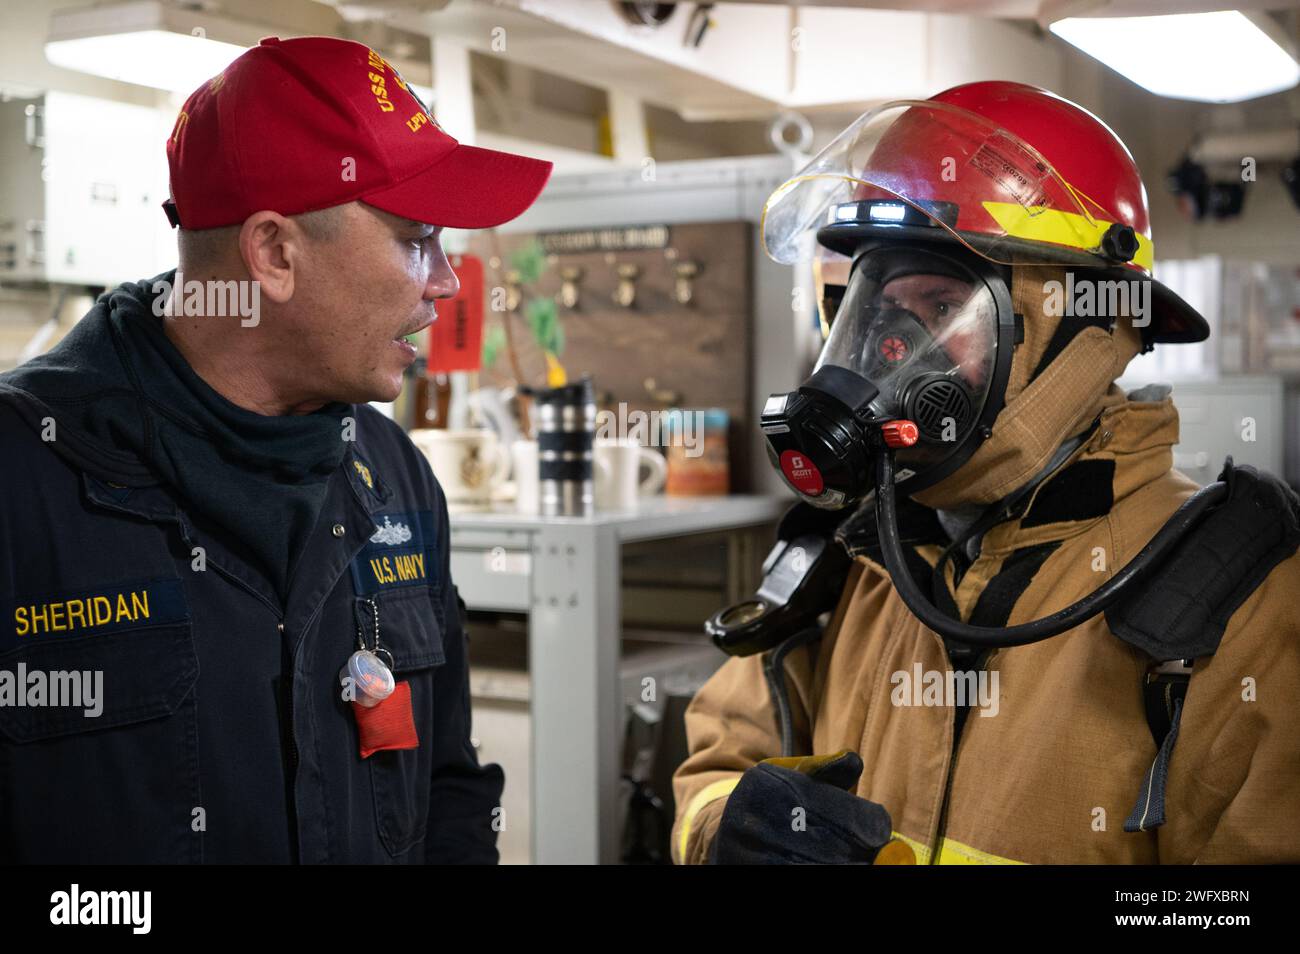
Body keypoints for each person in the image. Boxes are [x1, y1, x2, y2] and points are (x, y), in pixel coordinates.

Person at [673, 81, 1300, 865]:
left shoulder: (1241, 596)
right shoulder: (856, 558)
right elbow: (717, 761)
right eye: (876, 311)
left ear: (1088, 332)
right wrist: (729, 830)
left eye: (941, 309)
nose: (892, 353)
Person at [0, 35, 552, 863]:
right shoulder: (22, 480)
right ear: (273, 254)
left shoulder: (396, 477)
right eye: (415, 238)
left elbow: (449, 792)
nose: (444, 280)